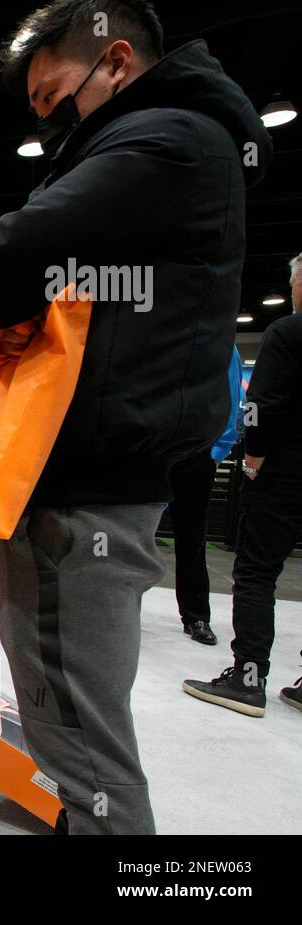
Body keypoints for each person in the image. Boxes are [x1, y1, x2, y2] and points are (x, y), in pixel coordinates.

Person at [0, 0, 271, 833]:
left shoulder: (168, 140)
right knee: (69, 722)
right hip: (77, 471)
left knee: (84, 741)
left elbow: (1, 259)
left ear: (117, 63)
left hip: (85, 480)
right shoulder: (168, 144)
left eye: (56, 99)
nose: (50, 128)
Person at [185, 254, 302, 716]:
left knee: (256, 572)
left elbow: (262, 404)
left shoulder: (288, 333)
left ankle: (247, 677)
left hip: (285, 475)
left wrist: (252, 456)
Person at [166, 347, 244, 647]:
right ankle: (124, 611)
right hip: (152, 447)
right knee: (133, 532)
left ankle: (196, 615)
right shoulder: (156, 329)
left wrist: (217, 450)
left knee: (192, 535)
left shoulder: (222, 340)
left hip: (196, 452)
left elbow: (231, 392)